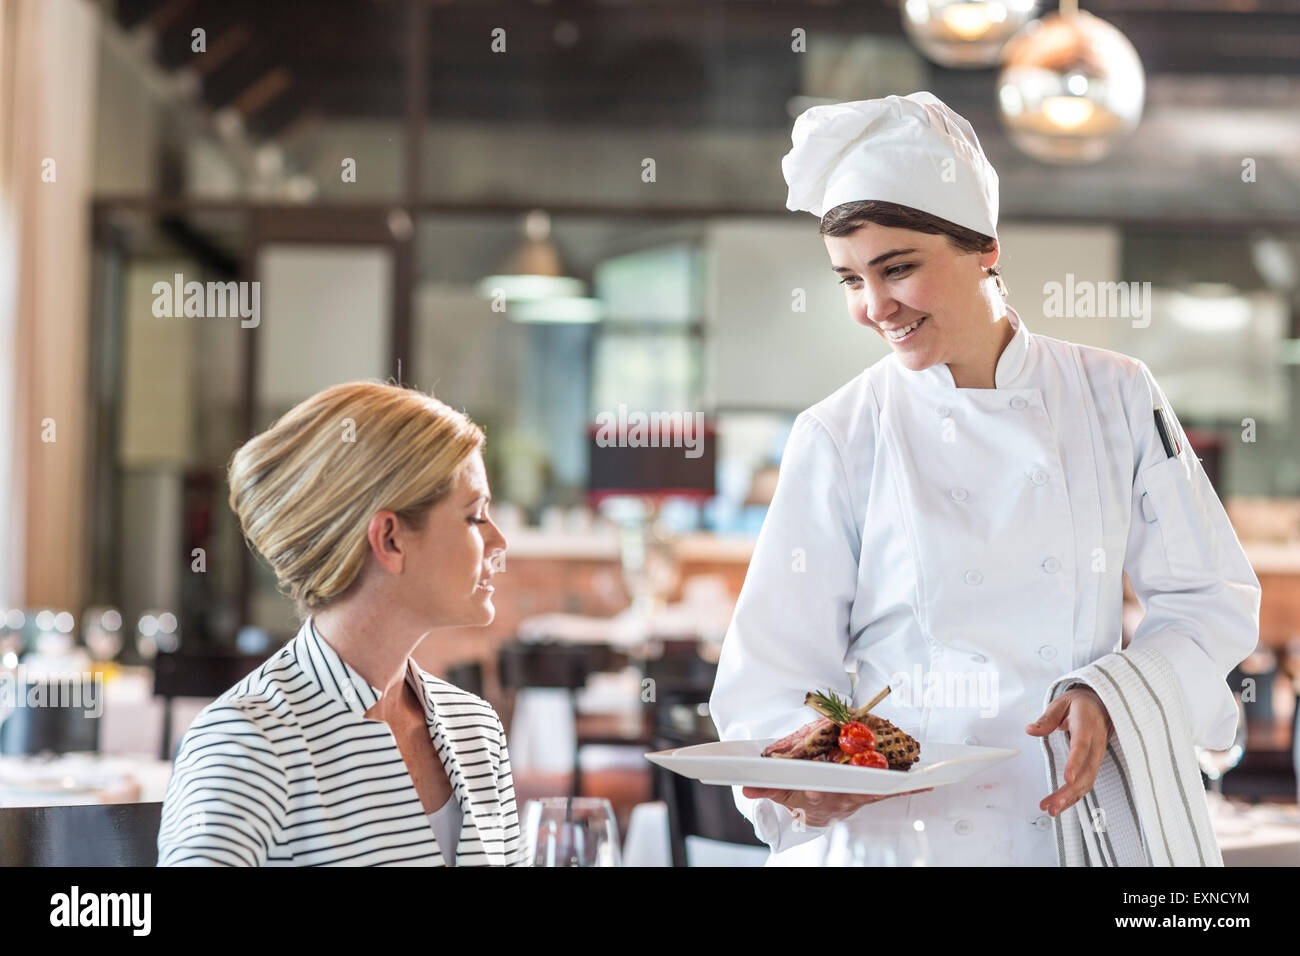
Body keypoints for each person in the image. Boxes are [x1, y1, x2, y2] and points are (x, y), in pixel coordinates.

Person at [708, 92, 1261, 866]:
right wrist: (810, 773)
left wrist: (1113, 690)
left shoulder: (1116, 394)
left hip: (1071, 827)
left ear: (985, 248)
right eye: (849, 280)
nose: (875, 307)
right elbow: (771, 672)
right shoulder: (838, 433)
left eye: (897, 268)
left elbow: (1208, 600)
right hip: (900, 838)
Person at [157, 381, 521, 866]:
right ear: (390, 538)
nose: (499, 542)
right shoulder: (245, 743)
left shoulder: (477, 730)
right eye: (475, 516)